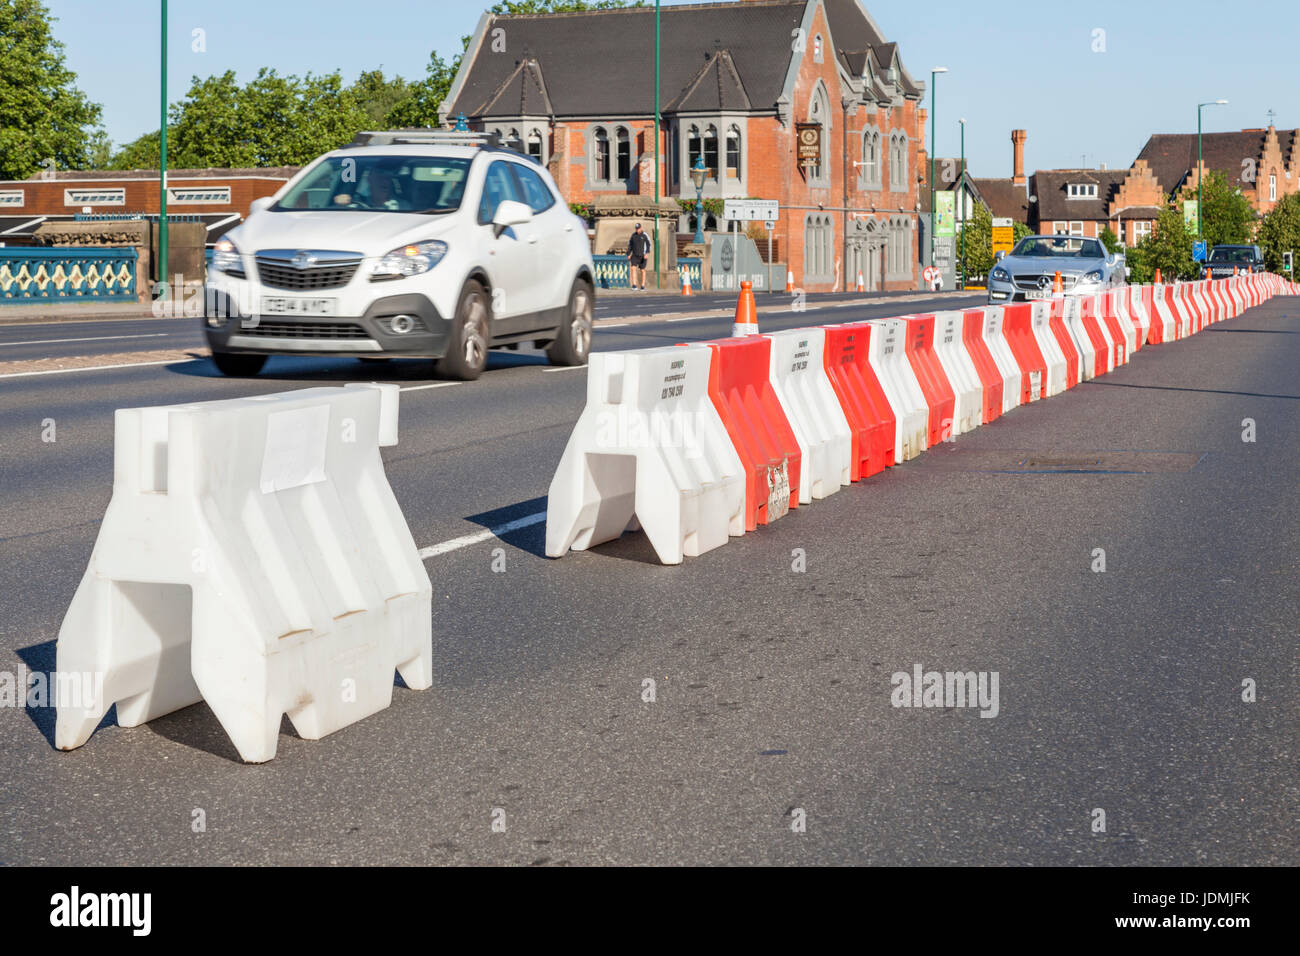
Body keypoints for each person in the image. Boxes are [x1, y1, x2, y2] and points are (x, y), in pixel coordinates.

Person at [627, 222, 652, 291]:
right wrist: (628, 253)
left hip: (643, 255)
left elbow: (649, 244)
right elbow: (630, 245)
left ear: (641, 228)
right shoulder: (633, 235)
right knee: (633, 268)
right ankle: (634, 285)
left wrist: (647, 253)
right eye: (636, 229)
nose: (637, 230)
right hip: (635, 255)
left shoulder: (644, 235)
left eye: (638, 229)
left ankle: (643, 285)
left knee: (642, 270)